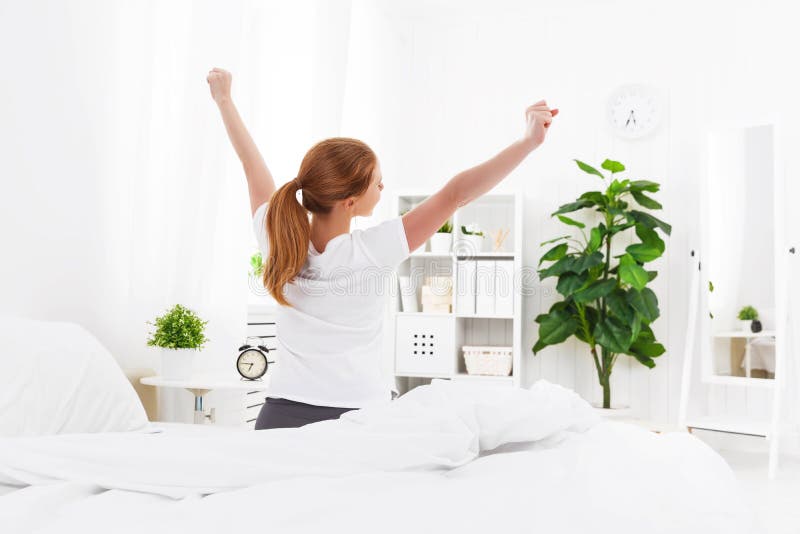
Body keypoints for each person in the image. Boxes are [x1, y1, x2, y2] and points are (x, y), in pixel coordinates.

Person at [206, 67, 558, 430]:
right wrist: (528, 142)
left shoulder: (276, 236)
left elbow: (251, 165)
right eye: (377, 182)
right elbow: (456, 194)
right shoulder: (375, 249)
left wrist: (224, 100)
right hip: (358, 419)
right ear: (350, 201)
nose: (383, 187)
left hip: (280, 416)